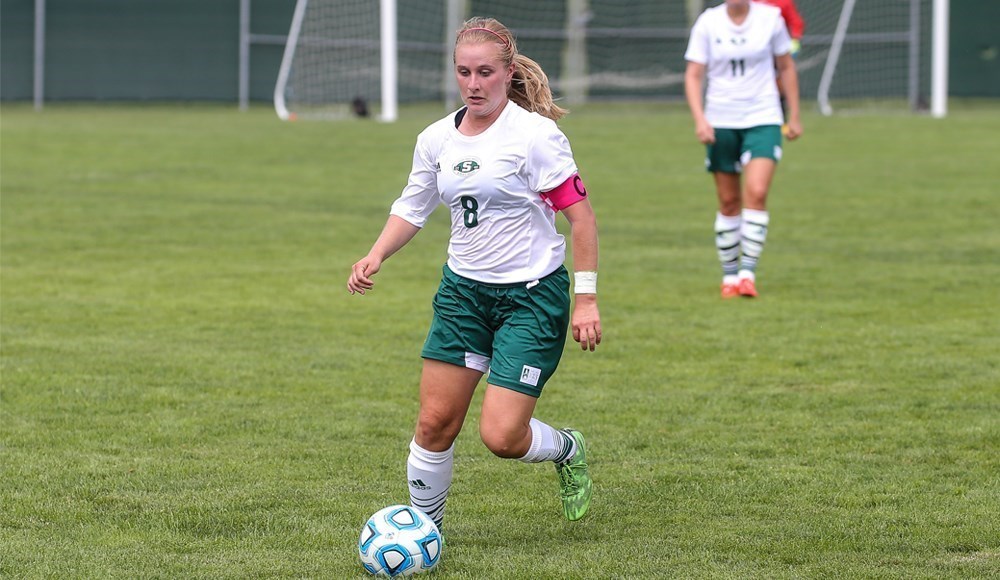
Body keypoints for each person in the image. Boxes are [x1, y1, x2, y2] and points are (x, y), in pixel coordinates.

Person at [347, 17, 601, 530]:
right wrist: (376, 254)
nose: (474, 83)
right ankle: (425, 531)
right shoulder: (436, 138)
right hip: (463, 295)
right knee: (435, 424)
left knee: (503, 438)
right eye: (464, 72)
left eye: (486, 72)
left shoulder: (536, 137)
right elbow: (413, 206)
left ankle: (567, 448)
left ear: (508, 72)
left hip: (531, 298)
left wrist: (587, 299)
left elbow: (581, 217)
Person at [684, 0, 802, 298]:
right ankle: (729, 277)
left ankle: (748, 274)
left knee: (757, 192)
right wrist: (700, 120)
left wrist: (795, 115)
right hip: (721, 118)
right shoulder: (708, 23)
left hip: (763, 116)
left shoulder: (771, 18)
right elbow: (694, 74)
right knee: (728, 201)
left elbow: (786, 66)